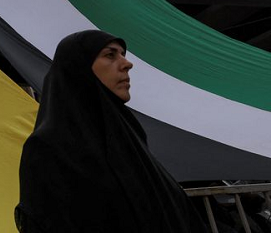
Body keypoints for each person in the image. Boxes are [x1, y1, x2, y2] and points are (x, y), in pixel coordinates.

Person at [14, 30, 207, 233]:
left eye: (123, 54)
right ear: (79, 67)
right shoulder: (48, 148)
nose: (127, 64)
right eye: (110, 55)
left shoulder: (130, 137)